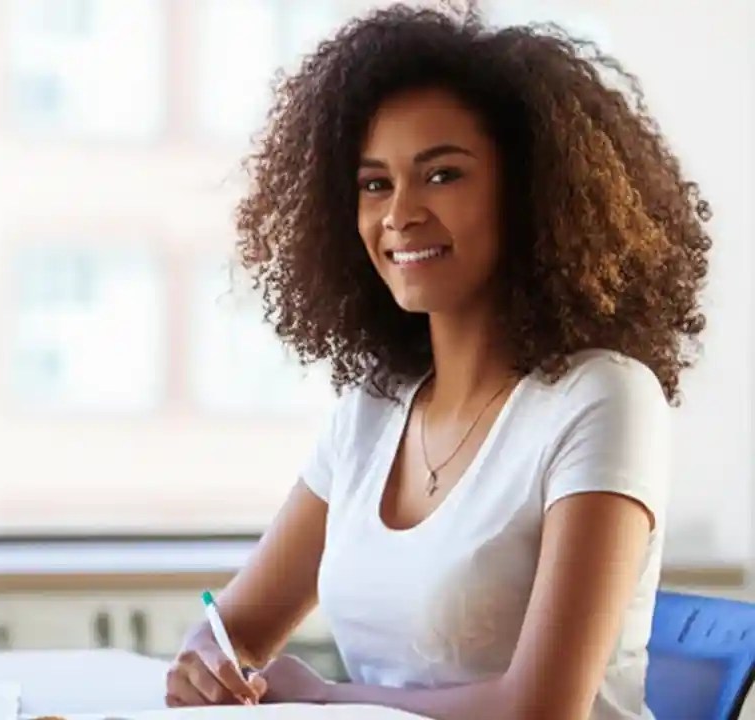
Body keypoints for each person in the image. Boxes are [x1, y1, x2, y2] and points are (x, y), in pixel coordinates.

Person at [166, 5, 711, 719]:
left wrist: (329, 700)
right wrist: (206, 665)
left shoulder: (602, 398)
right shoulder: (374, 408)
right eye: (374, 184)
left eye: (443, 175)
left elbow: (543, 709)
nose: (400, 214)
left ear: (531, 194)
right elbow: (230, 631)